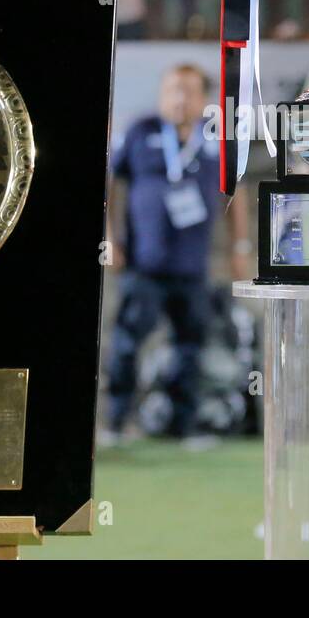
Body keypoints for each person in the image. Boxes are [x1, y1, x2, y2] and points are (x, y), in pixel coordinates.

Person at [103, 64, 250, 443]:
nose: (179, 98)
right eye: (172, 90)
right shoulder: (141, 131)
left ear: (204, 99)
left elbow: (239, 192)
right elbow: (111, 186)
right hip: (143, 264)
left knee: (190, 347)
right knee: (126, 343)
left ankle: (184, 428)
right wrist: (111, 239)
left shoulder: (216, 139)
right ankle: (116, 424)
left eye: (187, 91)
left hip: (192, 267)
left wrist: (240, 246)